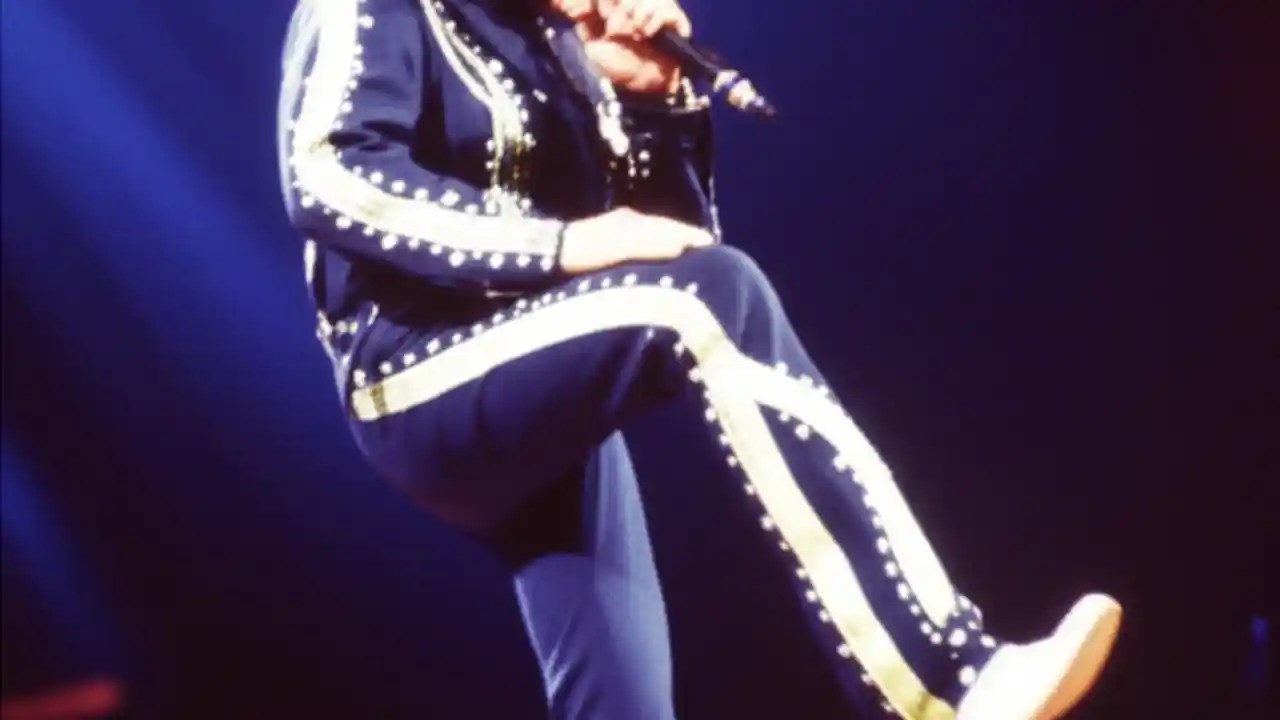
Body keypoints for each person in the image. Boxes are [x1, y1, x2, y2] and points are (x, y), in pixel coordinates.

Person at [276, 0, 1122, 717]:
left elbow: (679, 245)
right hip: (414, 375)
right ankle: (947, 680)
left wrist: (658, 98)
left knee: (625, 701)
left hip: (536, 375)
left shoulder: (550, 41)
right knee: (708, 297)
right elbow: (330, 173)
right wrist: (559, 243)